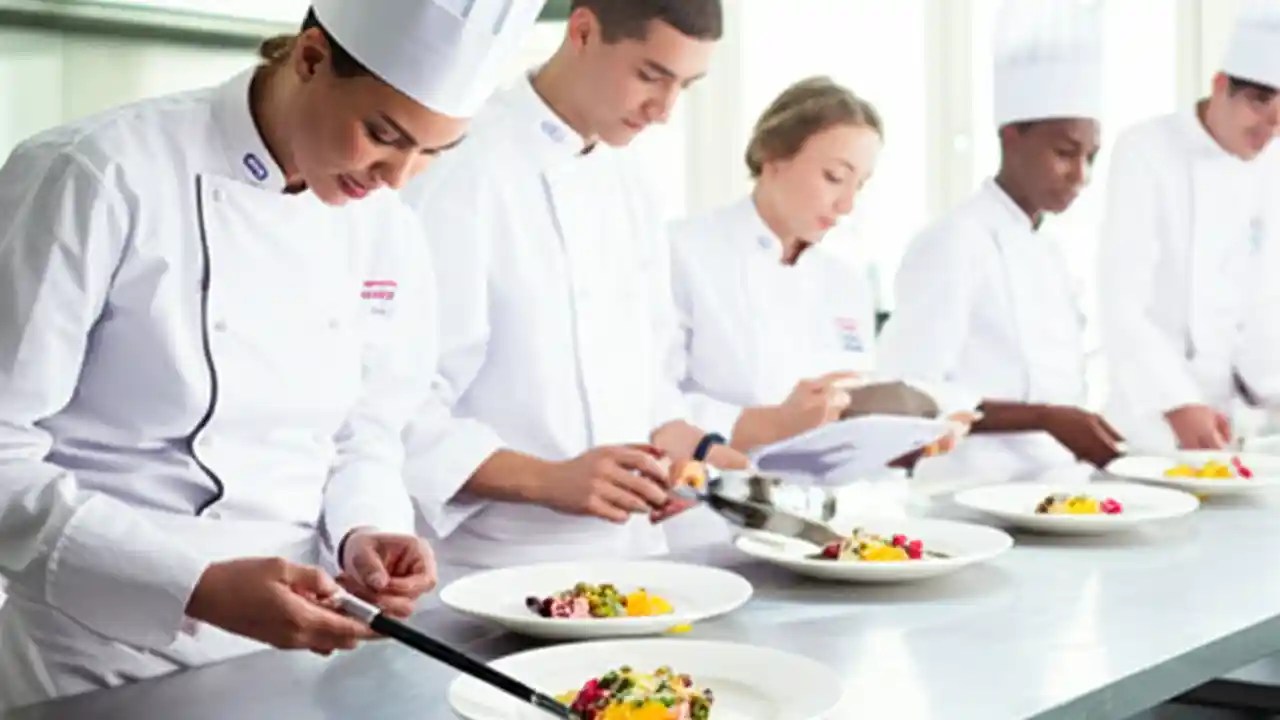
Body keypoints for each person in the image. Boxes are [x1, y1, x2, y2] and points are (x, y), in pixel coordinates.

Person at [0, 0, 540, 708]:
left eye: (431, 152)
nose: (397, 178)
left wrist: (366, 530)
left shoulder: (384, 224)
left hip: (292, 651)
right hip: (93, 655)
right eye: (383, 134)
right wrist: (191, 584)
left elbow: (365, 429)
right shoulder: (97, 174)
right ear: (311, 58)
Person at [401, 0, 745, 568]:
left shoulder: (630, 184)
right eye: (650, 76)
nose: (664, 111)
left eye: (686, 86)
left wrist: (696, 453)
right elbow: (400, 404)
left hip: (631, 558)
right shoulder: (460, 169)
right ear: (582, 31)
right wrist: (549, 480)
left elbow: (648, 382)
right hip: (493, 568)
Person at [877, 0, 1122, 485]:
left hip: (1055, 491)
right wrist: (1047, 419)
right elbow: (906, 400)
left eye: (1091, 157)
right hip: (968, 497)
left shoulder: (1050, 249)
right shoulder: (953, 242)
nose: (1082, 175)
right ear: (1012, 136)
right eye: (1064, 153)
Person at [1098, 0, 1280, 452]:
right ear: (1220, 87)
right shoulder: (1146, 150)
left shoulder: (1270, 168)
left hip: (1235, 427)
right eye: (1261, 107)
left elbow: (1262, 306)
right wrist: (1177, 402)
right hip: (1152, 422)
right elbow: (1122, 300)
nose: (1270, 130)